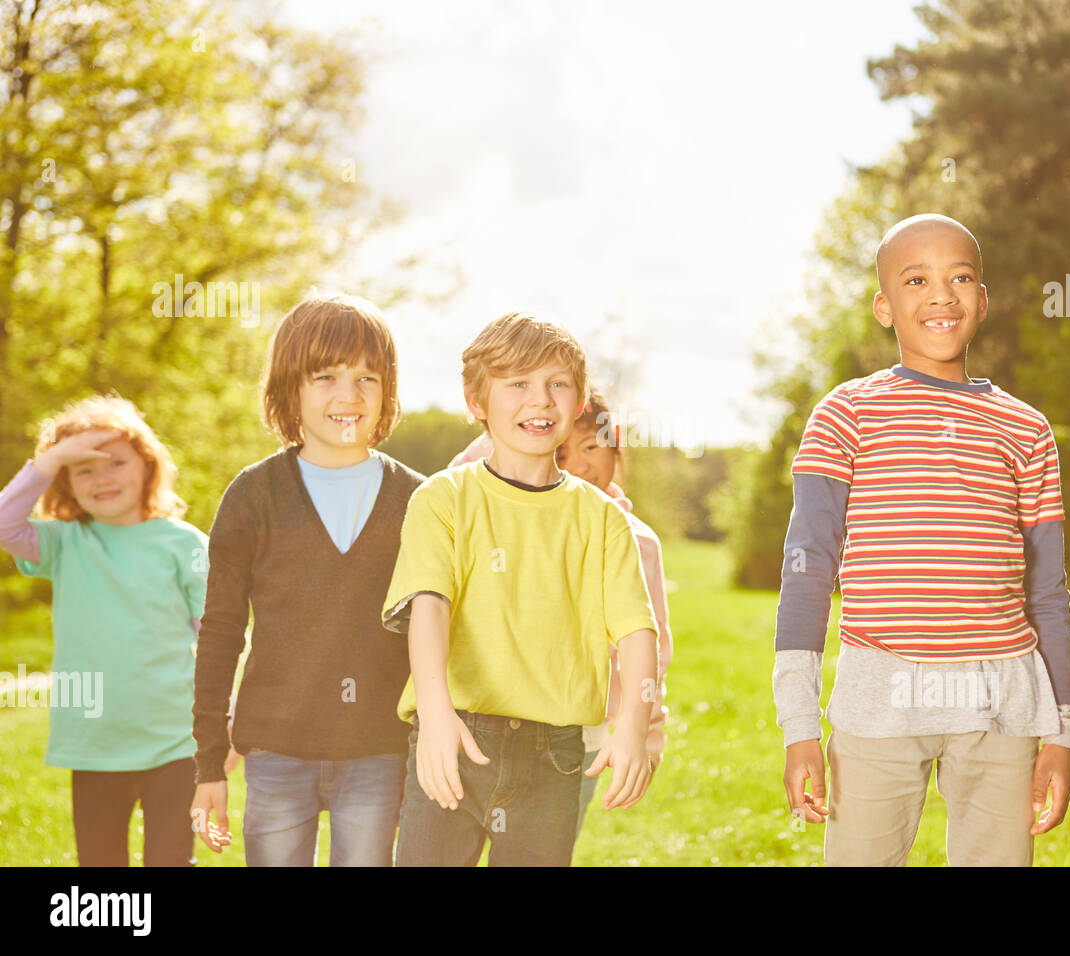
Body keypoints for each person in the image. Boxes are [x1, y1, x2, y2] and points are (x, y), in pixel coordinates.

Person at [775, 213, 1070, 866]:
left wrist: (1062, 734)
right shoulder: (844, 415)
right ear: (884, 306)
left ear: (983, 300)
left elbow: (1048, 591)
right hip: (877, 702)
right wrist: (800, 726)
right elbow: (805, 575)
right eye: (917, 279)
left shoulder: (1026, 430)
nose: (942, 294)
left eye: (960, 277)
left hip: (1003, 706)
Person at [385, 312, 659, 866]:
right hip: (454, 734)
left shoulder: (605, 521)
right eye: (518, 384)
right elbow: (429, 609)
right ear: (476, 400)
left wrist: (632, 723)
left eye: (557, 384)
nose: (540, 400)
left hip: (553, 754)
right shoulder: (443, 499)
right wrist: (435, 715)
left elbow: (636, 629)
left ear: (579, 401)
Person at [190, 294, 425, 866]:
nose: (349, 396)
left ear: (387, 392)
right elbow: (220, 632)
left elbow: (438, 635)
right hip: (276, 748)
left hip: (379, 751)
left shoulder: (419, 499)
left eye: (368, 378)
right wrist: (208, 763)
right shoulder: (253, 495)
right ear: (290, 388)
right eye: (326, 376)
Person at [449, 385, 673, 831]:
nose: (583, 465)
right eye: (562, 452)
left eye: (593, 445)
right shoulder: (515, 519)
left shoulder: (639, 542)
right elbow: (457, 475)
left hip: (577, 740)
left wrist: (647, 735)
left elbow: (653, 651)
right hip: (483, 725)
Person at [0, 395, 208, 866]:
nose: (103, 478)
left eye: (116, 463)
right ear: (66, 482)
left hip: (175, 741)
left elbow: (218, 640)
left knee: (171, 860)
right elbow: (3, 523)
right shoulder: (63, 543)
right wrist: (46, 462)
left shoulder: (183, 544)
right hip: (93, 744)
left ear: (148, 466)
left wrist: (226, 718)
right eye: (83, 469)